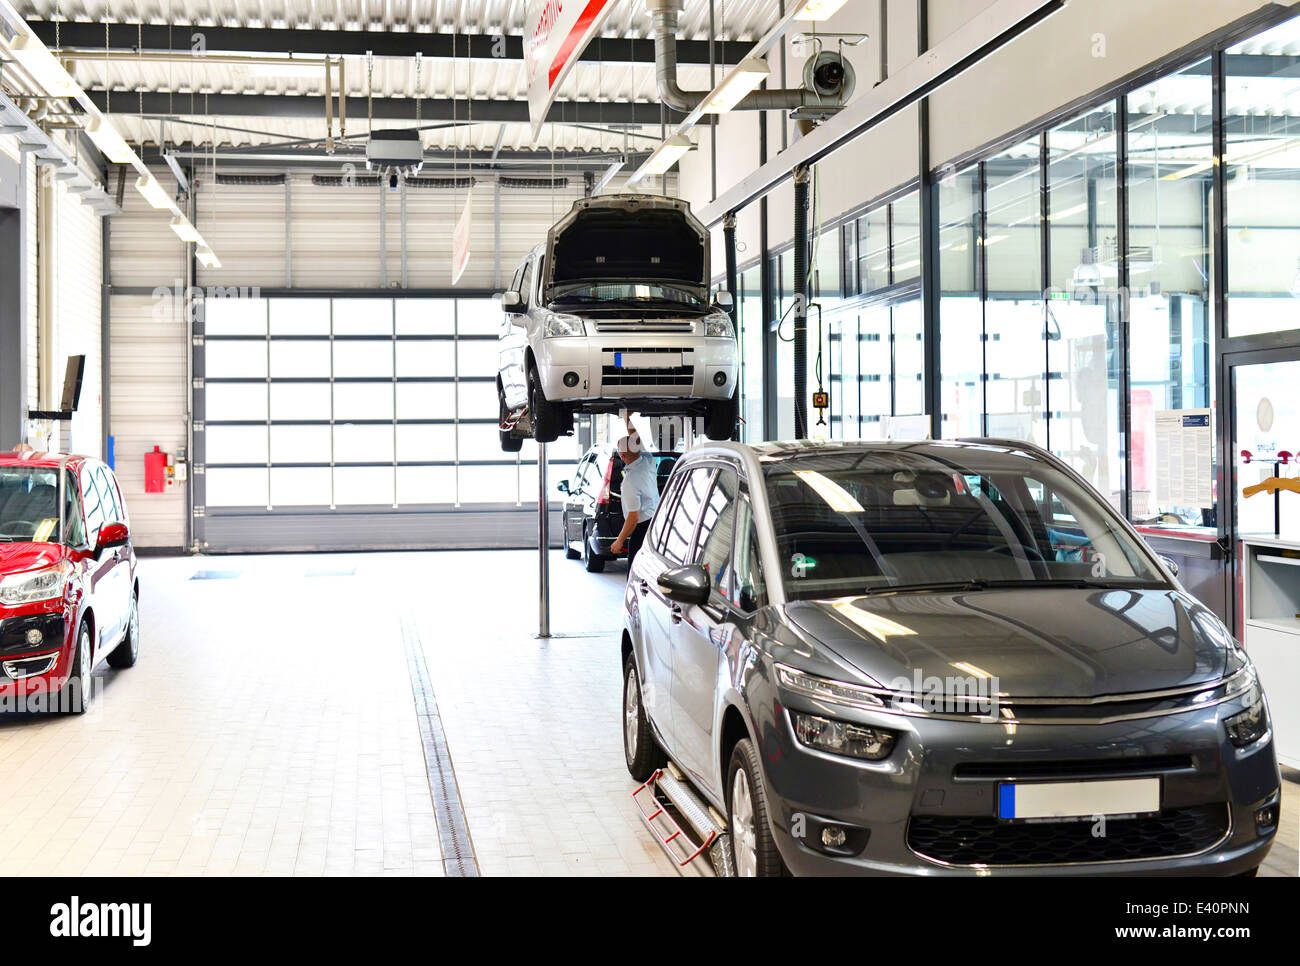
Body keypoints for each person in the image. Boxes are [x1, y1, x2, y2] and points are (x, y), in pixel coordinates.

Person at [610, 413, 659, 564]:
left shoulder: (630, 482)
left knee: (635, 572)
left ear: (622, 456)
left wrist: (619, 541)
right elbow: (636, 438)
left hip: (641, 530)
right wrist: (626, 419)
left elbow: (633, 518)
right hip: (656, 524)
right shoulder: (648, 460)